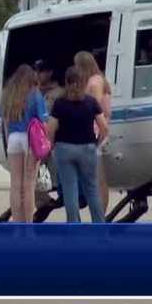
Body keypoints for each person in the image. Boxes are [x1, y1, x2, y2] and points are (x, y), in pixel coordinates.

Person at [49, 67, 109, 223]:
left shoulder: (60, 103)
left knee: (70, 190)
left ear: (66, 83)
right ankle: (99, 225)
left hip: (64, 149)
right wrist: (97, 142)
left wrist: (52, 145)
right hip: (87, 149)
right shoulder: (91, 102)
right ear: (83, 83)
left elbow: (51, 128)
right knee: (92, 189)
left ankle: (74, 226)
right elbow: (104, 127)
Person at [0, 64, 49, 222]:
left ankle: (17, 226)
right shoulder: (35, 95)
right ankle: (28, 228)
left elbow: (5, 122)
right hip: (30, 139)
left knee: (15, 185)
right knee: (29, 186)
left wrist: (7, 142)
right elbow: (43, 122)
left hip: (13, 138)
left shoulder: (8, 95)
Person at [74, 51, 113, 214]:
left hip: (95, 131)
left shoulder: (94, 82)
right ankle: (99, 215)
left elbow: (94, 107)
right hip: (100, 130)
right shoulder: (100, 79)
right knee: (98, 179)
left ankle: (98, 216)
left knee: (96, 180)